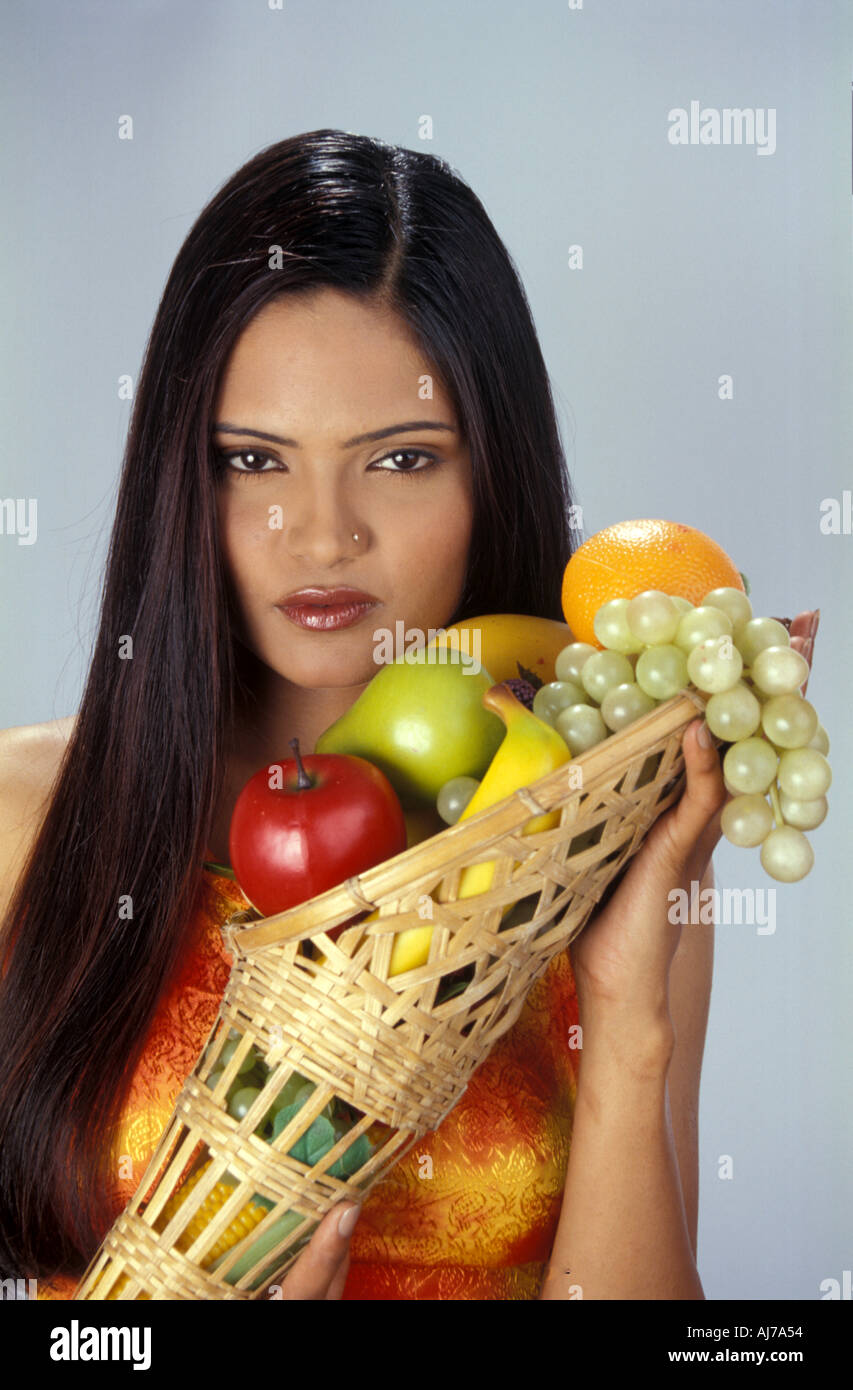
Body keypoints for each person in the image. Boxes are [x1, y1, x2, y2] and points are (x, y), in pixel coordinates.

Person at [0, 129, 817, 1302]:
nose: (323, 533)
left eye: (398, 459)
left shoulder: (597, 841)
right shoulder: (28, 819)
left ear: (493, 470)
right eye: (253, 459)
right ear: (184, 474)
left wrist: (628, 1022)